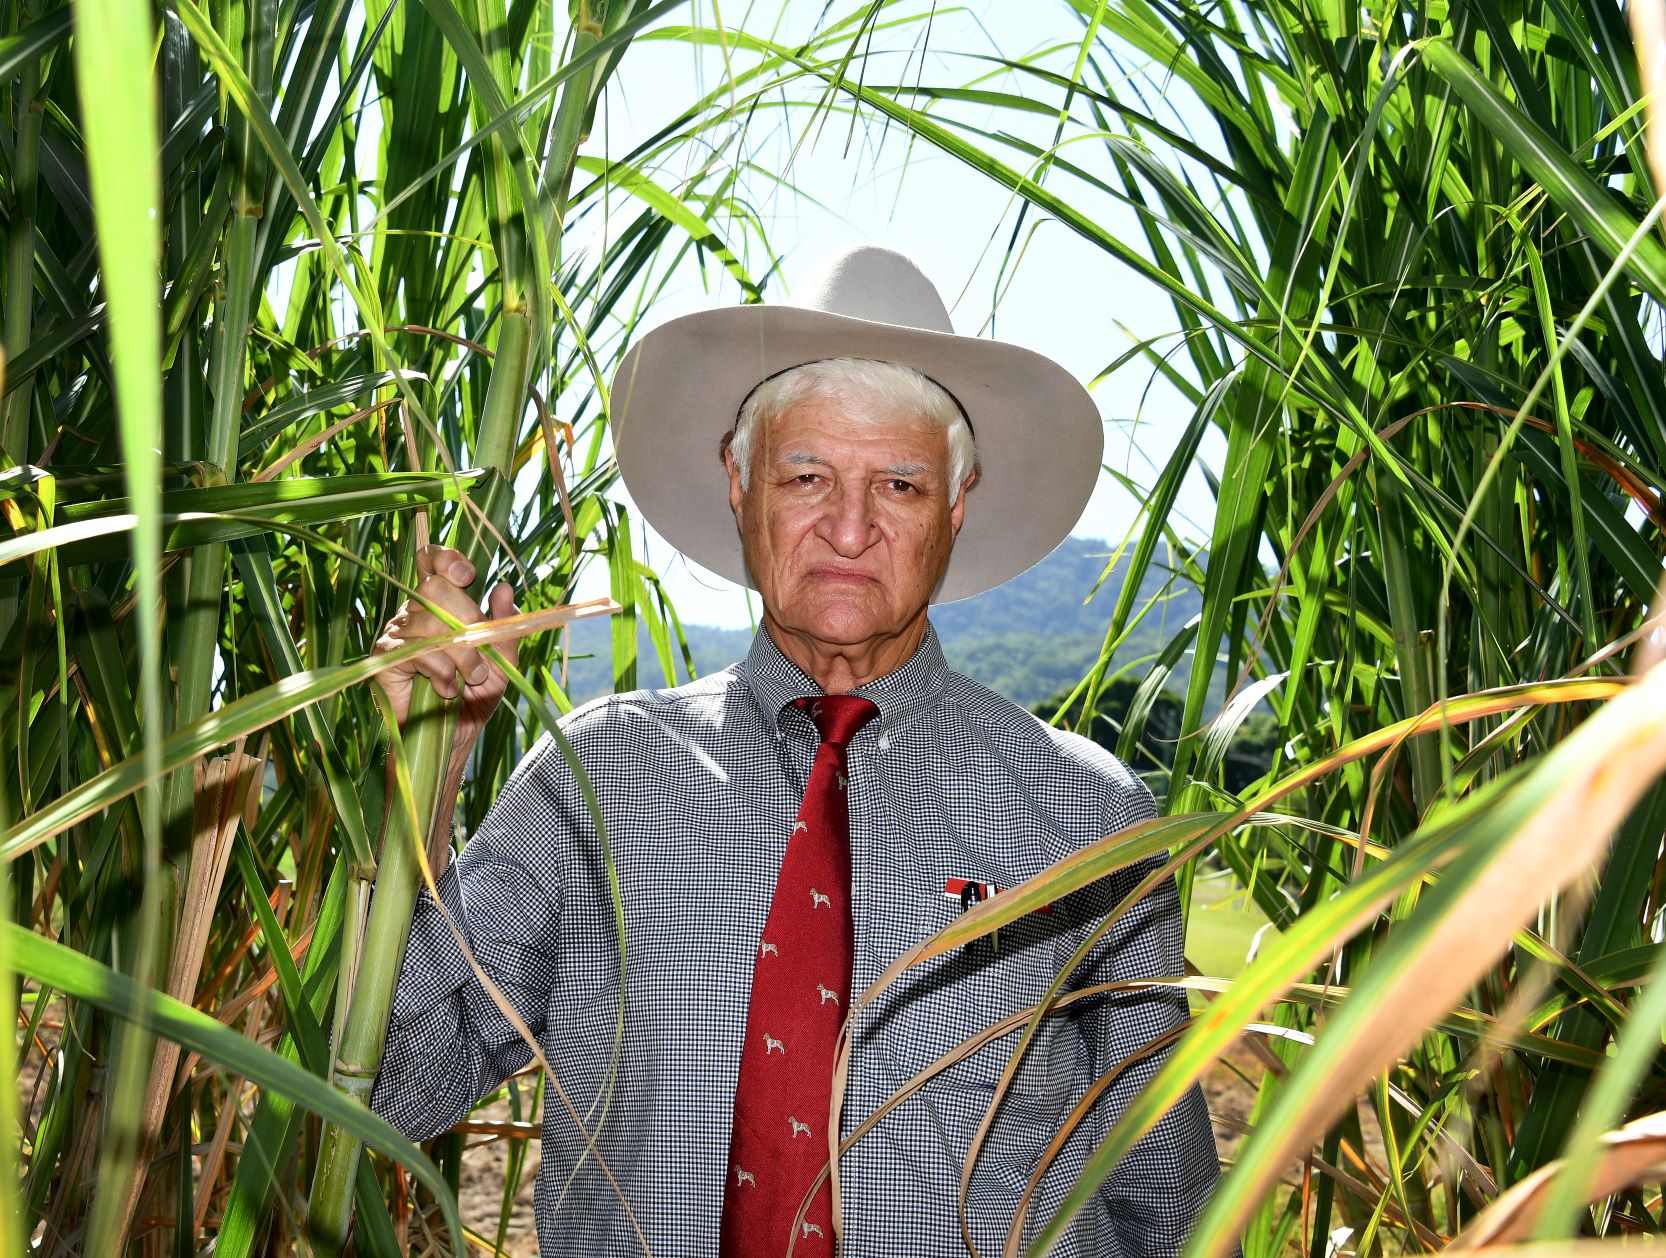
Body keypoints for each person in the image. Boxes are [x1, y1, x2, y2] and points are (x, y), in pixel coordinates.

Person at [369, 245, 1221, 1256]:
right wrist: (425, 767)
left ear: (956, 503)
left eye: (899, 485)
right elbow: (388, 1081)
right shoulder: (594, 780)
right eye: (807, 474)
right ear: (740, 482)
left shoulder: (1087, 813)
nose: (849, 527)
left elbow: (1165, 1208)